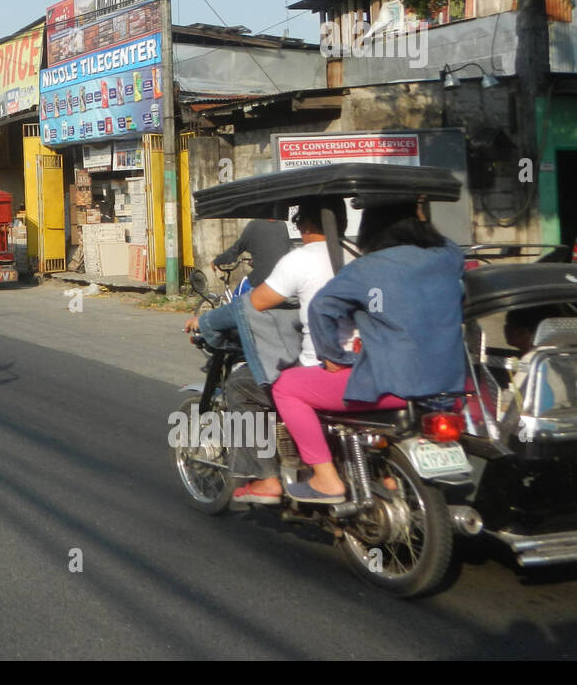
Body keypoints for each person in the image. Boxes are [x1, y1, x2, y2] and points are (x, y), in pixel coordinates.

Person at [272, 201, 465, 503]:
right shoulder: (447, 257)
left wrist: (332, 356)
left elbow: (322, 307)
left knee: (287, 387)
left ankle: (326, 479)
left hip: (391, 385)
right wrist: (422, 219)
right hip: (448, 384)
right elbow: (450, 246)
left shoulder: (366, 268)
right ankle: (386, 476)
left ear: (370, 229)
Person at [184, 197, 348, 504]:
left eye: (299, 221)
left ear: (306, 224)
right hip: (360, 364)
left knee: (241, 386)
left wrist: (204, 321)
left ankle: (267, 479)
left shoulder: (300, 257)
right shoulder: (355, 256)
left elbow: (249, 306)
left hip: (313, 355)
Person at [212, 218, 291, 288]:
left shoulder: (254, 226)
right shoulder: (282, 224)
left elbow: (235, 250)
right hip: (284, 281)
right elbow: (277, 249)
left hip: (263, 282)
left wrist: (217, 261)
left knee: (240, 292)